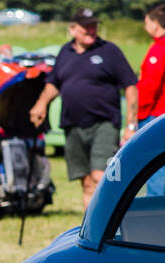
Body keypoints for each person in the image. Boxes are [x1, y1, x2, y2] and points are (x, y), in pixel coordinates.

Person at [29, 7, 140, 209]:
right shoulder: (65, 52)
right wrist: (41, 103)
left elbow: (130, 86)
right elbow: (54, 83)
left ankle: (108, 228)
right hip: (73, 125)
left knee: (100, 178)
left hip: (104, 124)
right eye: (86, 27)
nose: (91, 30)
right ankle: (91, 232)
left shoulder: (109, 51)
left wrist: (131, 125)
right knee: (86, 182)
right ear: (72, 29)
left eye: (93, 26)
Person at [138, 5, 165, 195]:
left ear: (155, 24)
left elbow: (150, 87)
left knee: (156, 172)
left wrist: (138, 115)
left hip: (155, 117)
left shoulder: (159, 49)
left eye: (146, 22)